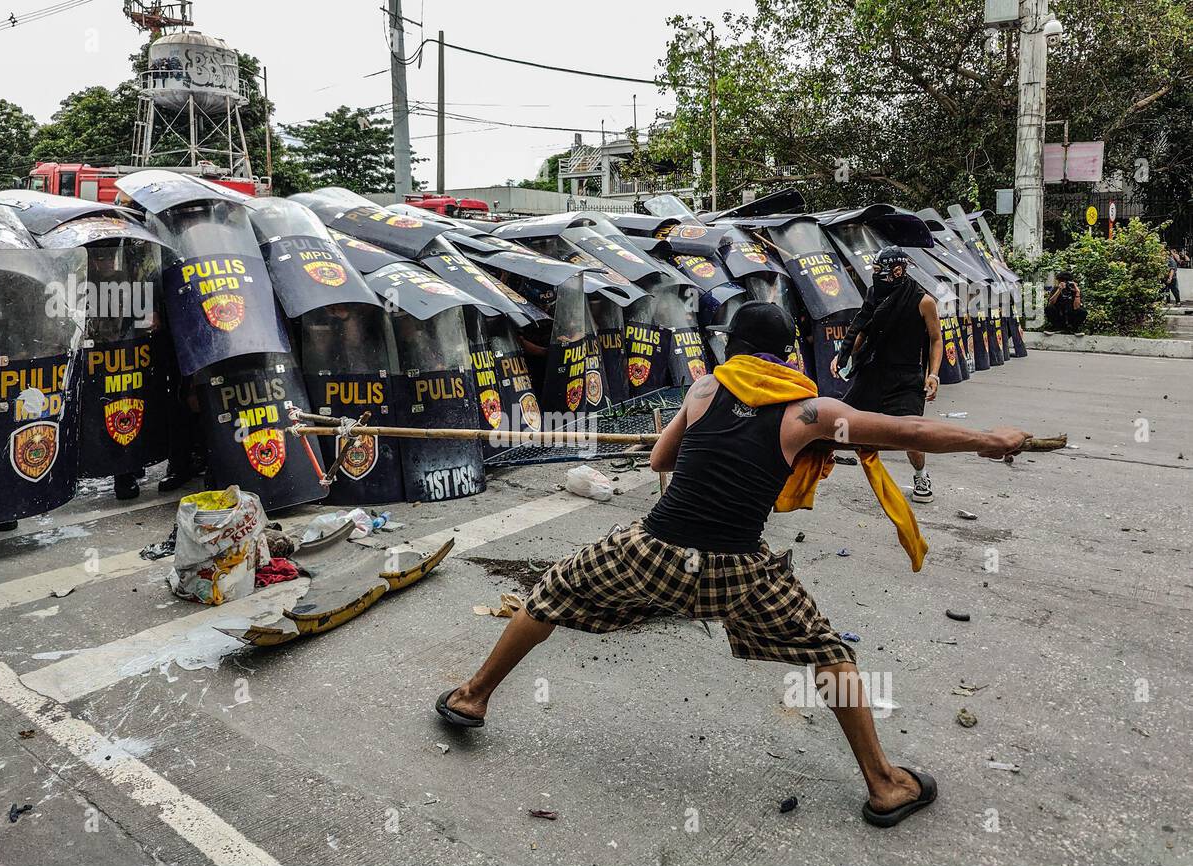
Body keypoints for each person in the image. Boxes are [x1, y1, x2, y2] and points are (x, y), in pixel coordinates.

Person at [436, 301, 1031, 828]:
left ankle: (472, 697)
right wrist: (986, 439)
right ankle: (884, 784)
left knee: (550, 595)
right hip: (740, 574)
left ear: (732, 349)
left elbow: (659, 461)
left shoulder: (702, 391)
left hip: (653, 552)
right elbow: (908, 428)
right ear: (788, 354)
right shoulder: (811, 413)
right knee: (829, 655)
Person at [830, 246, 942, 503]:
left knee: (912, 435)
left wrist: (933, 375)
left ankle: (921, 474)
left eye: (880, 271)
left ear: (898, 271)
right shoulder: (875, 293)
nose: (875, 275)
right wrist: (844, 356)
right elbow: (861, 327)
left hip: (906, 377)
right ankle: (818, 461)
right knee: (840, 421)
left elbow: (936, 340)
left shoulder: (923, 301)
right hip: (875, 369)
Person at [1045, 271, 1086, 335]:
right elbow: (1051, 303)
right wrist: (1059, 290)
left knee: (1082, 311)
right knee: (1049, 308)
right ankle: (1056, 327)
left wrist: (1077, 292)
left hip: (1071, 315)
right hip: (1059, 315)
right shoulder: (1056, 289)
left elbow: (1077, 307)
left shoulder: (1074, 290)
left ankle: (1074, 328)